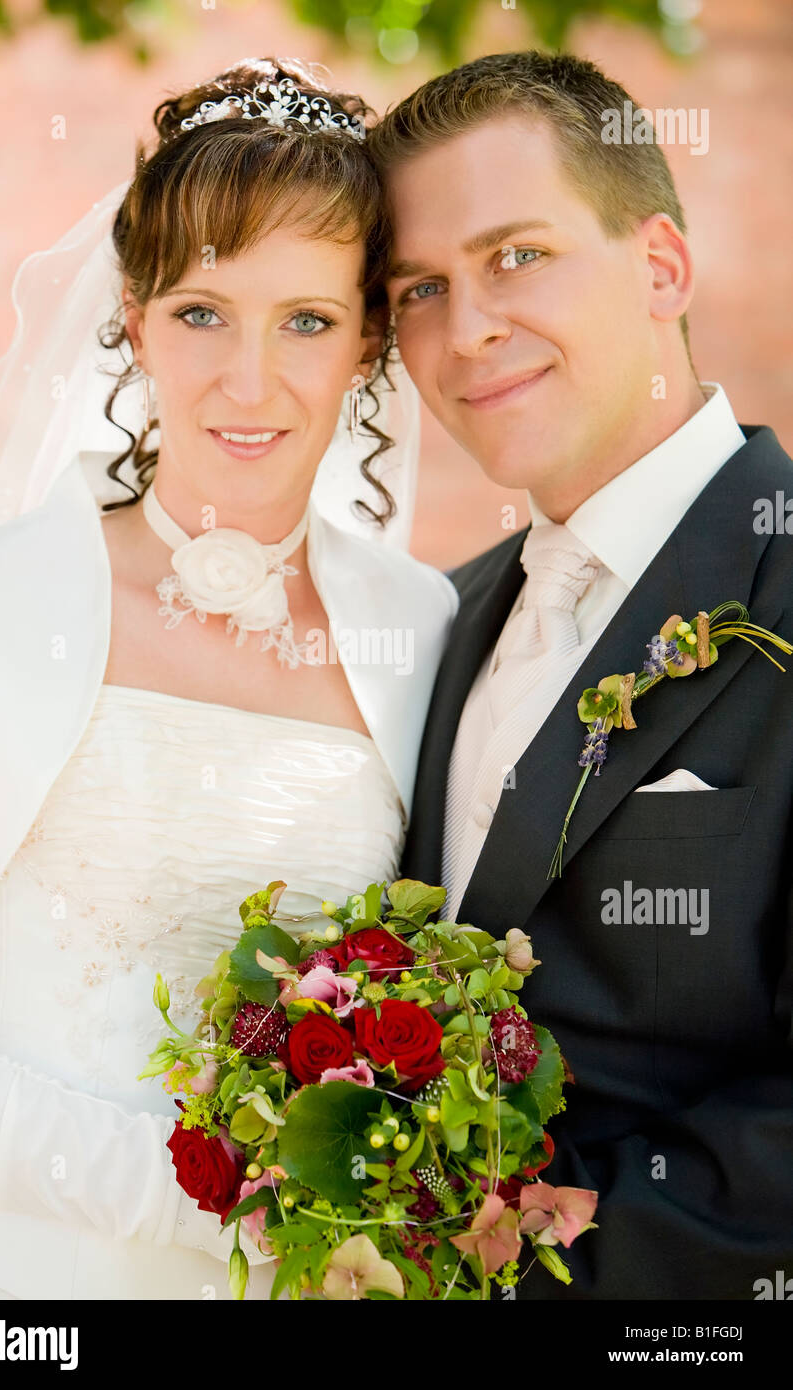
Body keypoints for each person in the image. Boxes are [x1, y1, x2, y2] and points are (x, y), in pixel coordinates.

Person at [0, 56, 457, 1300]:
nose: (250, 381)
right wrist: (175, 1196)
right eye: (203, 312)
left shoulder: (427, 632)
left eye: (308, 322)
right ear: (131, 312)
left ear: (369, 335)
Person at [369, 51, 793, 1300]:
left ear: (658, 263)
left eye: (515, 256)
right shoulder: (442, 616)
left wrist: (574, 1259)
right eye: (417, 289)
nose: (466, 330)